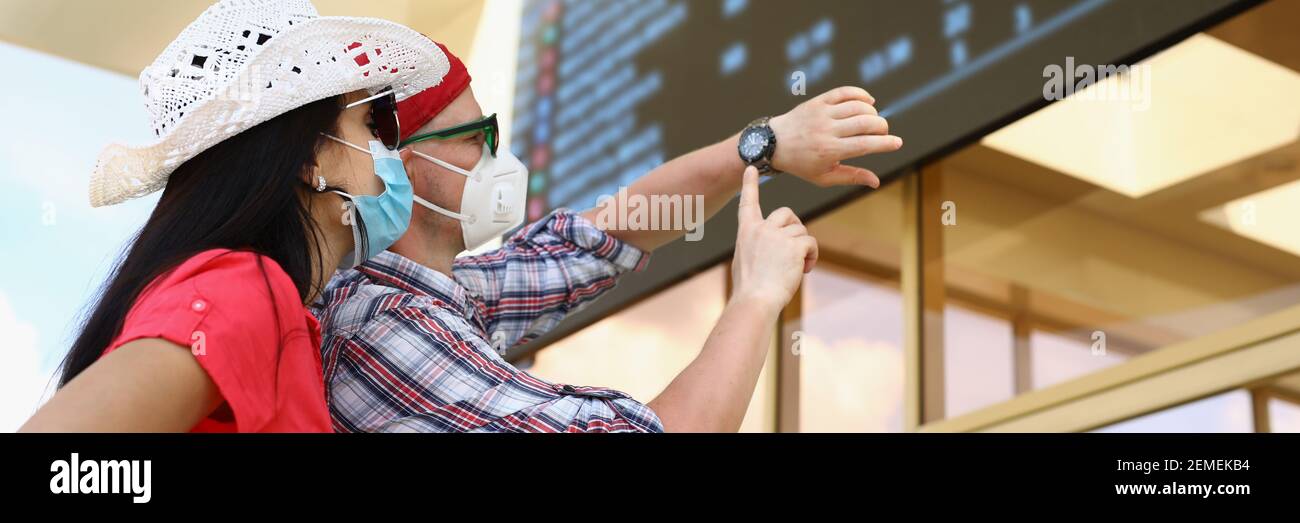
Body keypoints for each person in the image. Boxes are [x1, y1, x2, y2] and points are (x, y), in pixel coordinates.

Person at [315, 40, 903, 432]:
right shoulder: (382, 333)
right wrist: (755, 295)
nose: (498, 157)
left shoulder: (435, 294)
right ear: (400, 166)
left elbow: (601, 238)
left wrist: (764, 145)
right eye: (475, 138)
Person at [20, 0, 451, 432]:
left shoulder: (274, 307)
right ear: (309, 159)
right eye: (374, 125)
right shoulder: (244, 286)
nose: (393, 150)